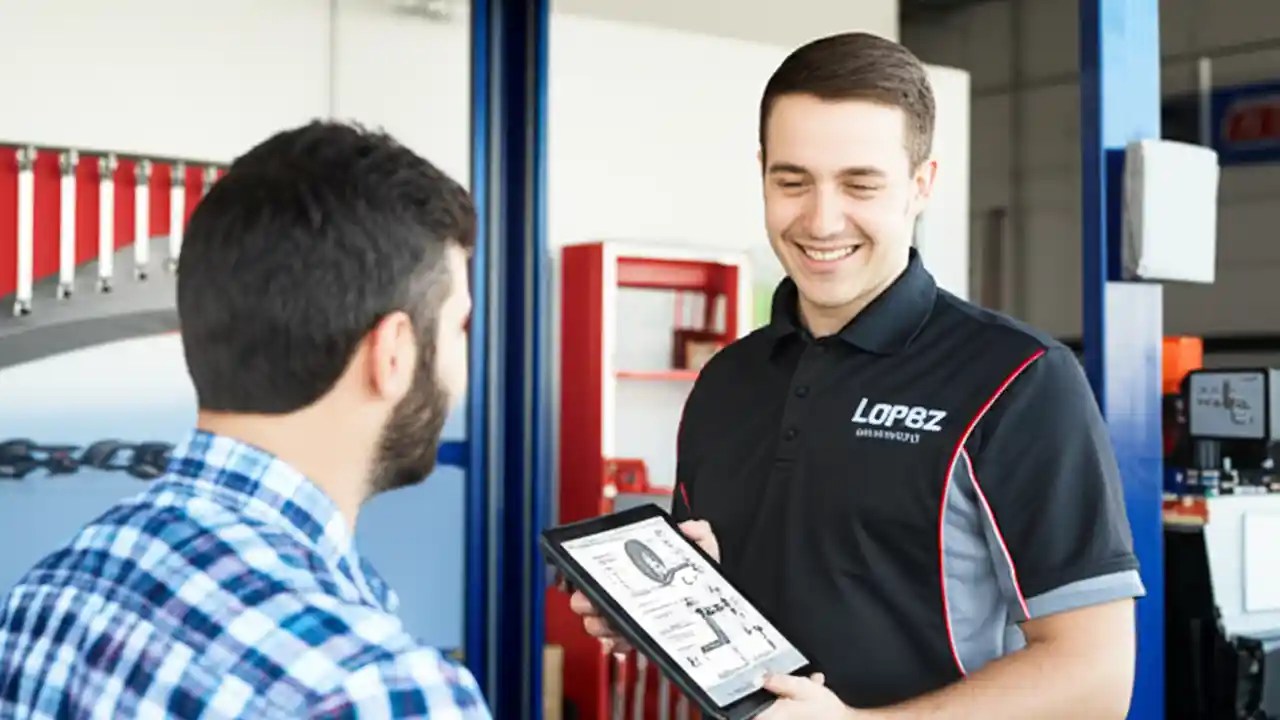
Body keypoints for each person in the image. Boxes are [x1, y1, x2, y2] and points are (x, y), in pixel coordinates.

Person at [572, 31, 1144, 719]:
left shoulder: (1018, 380)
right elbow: (746, 607)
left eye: (859, 184)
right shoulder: (726, 382)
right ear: (762, 174)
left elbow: (1096, 677)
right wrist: (662, 607)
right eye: (793, 182)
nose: (821, 220)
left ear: (921, 185)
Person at [0, 122, 492, 719]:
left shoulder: (44, 595)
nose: (464, 365)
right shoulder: (374, 689)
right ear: (392, 353)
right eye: (459, 327)